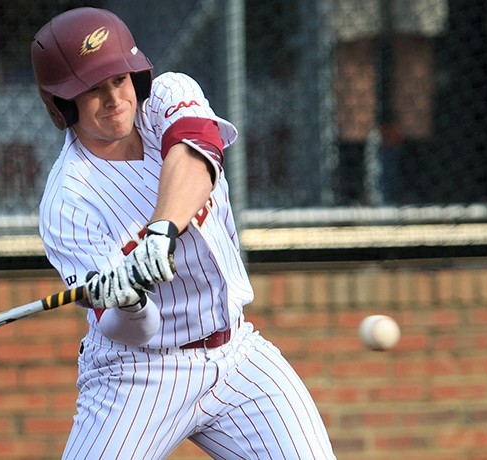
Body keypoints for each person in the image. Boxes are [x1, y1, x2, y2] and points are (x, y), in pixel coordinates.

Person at [31, 7, 336, 459]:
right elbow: (131, 331)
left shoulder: (170, 94)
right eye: (92, 90)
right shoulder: (68, 203)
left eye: (119, 79)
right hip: (138, 375)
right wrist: (128, 302)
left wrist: (159, 233)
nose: (115, 99)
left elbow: (199, 158)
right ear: (62, 104)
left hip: (236, 355)